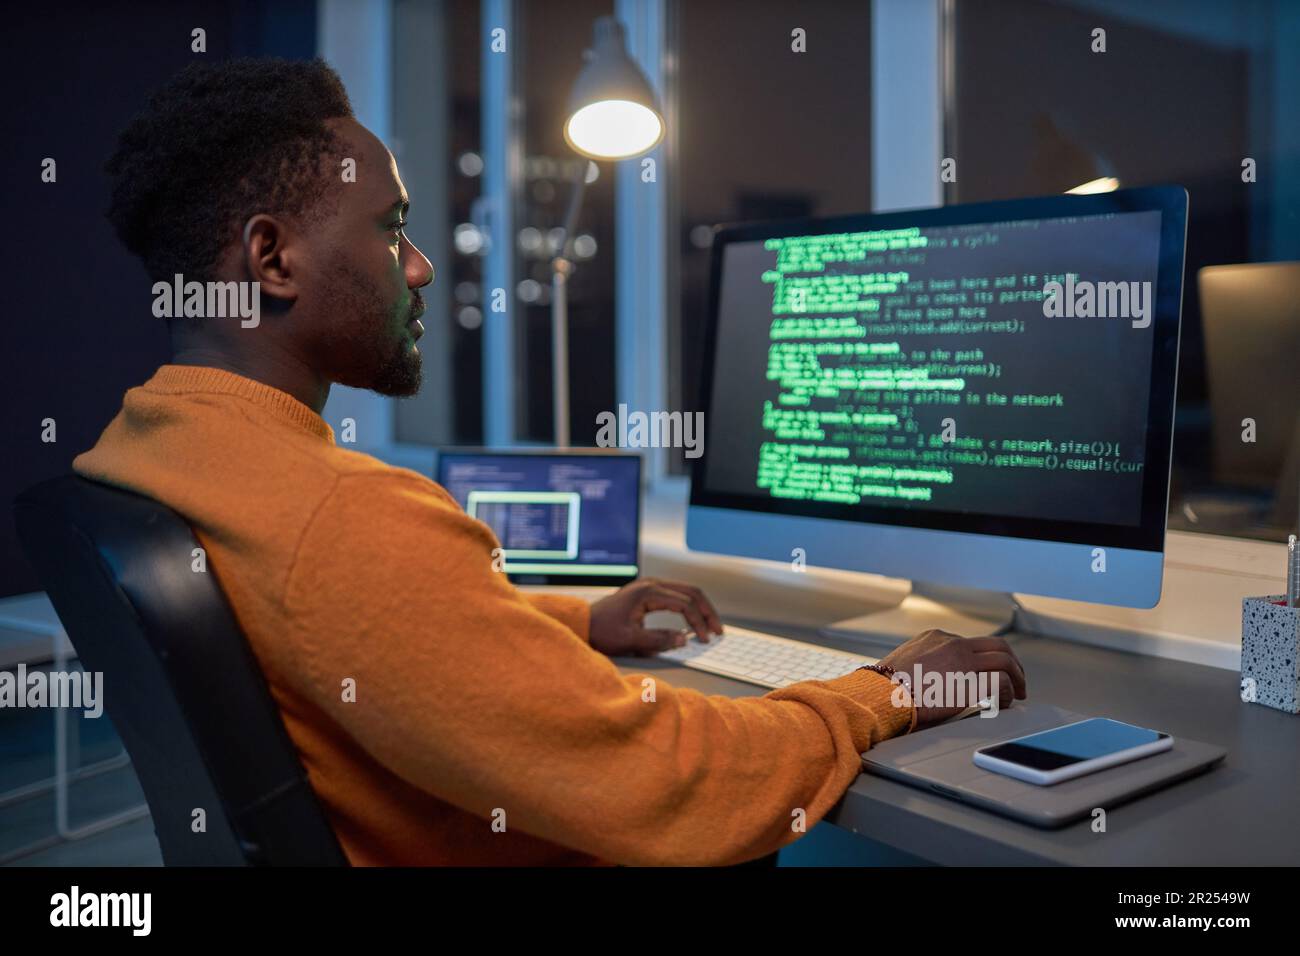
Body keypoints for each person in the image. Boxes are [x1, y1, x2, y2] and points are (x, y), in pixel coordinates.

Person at [76, 57, 1026, 865]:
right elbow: (663, 779)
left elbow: (352, 616)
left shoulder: (152, 447)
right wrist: (889, 691)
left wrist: (575, 618)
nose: (419, 266)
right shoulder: (345, 516)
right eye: (389, 226)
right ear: (272, 260)